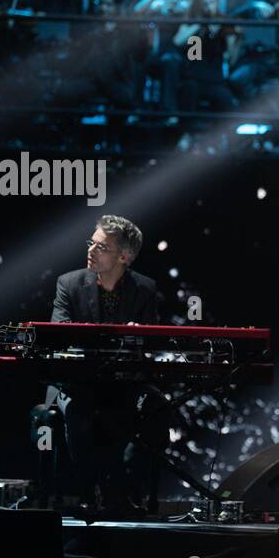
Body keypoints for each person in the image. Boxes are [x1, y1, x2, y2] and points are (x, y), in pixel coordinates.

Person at [50, 215, 162, 518]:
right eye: (91, 243)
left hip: (122, 383)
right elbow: (60, 333)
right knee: (78, 411)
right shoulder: (69, 284)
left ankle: (125, 493)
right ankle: (88, 493)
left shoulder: (145, 289)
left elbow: (150, 345)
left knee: (150, 408)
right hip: (78, 381)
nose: (91, 250)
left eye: (101, 247)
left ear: (124, 256)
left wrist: (138, 335)